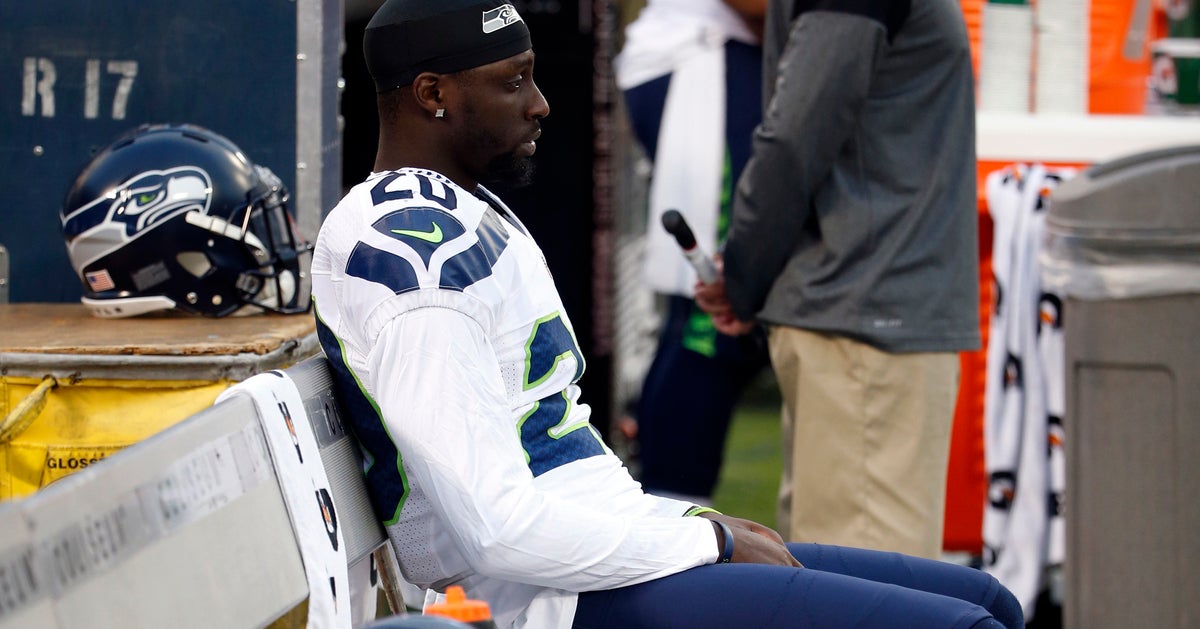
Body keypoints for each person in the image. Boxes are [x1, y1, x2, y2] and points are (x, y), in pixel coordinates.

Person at [310, 1, 1018, 627]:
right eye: (513, 79)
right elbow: (497, 528)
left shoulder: (467, 209)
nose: (540, 103)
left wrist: (684, 523)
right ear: (433, 93)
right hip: (544, 597)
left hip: (603, 544)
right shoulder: (406, 254)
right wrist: (705, 539)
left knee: (991, 599)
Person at [694, 0, 982, 560]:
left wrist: (747, 273)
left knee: (848, 582)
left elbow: (797, 134)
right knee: (862, 590)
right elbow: (795, 139)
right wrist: (747, 274)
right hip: (865, 317)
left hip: (866, 316)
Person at [614, 0, 770, 506]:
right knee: (713, 317)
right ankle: (674, 521)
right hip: (703, 59)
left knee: (702, 315)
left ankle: (664, 509)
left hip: (710, 59)